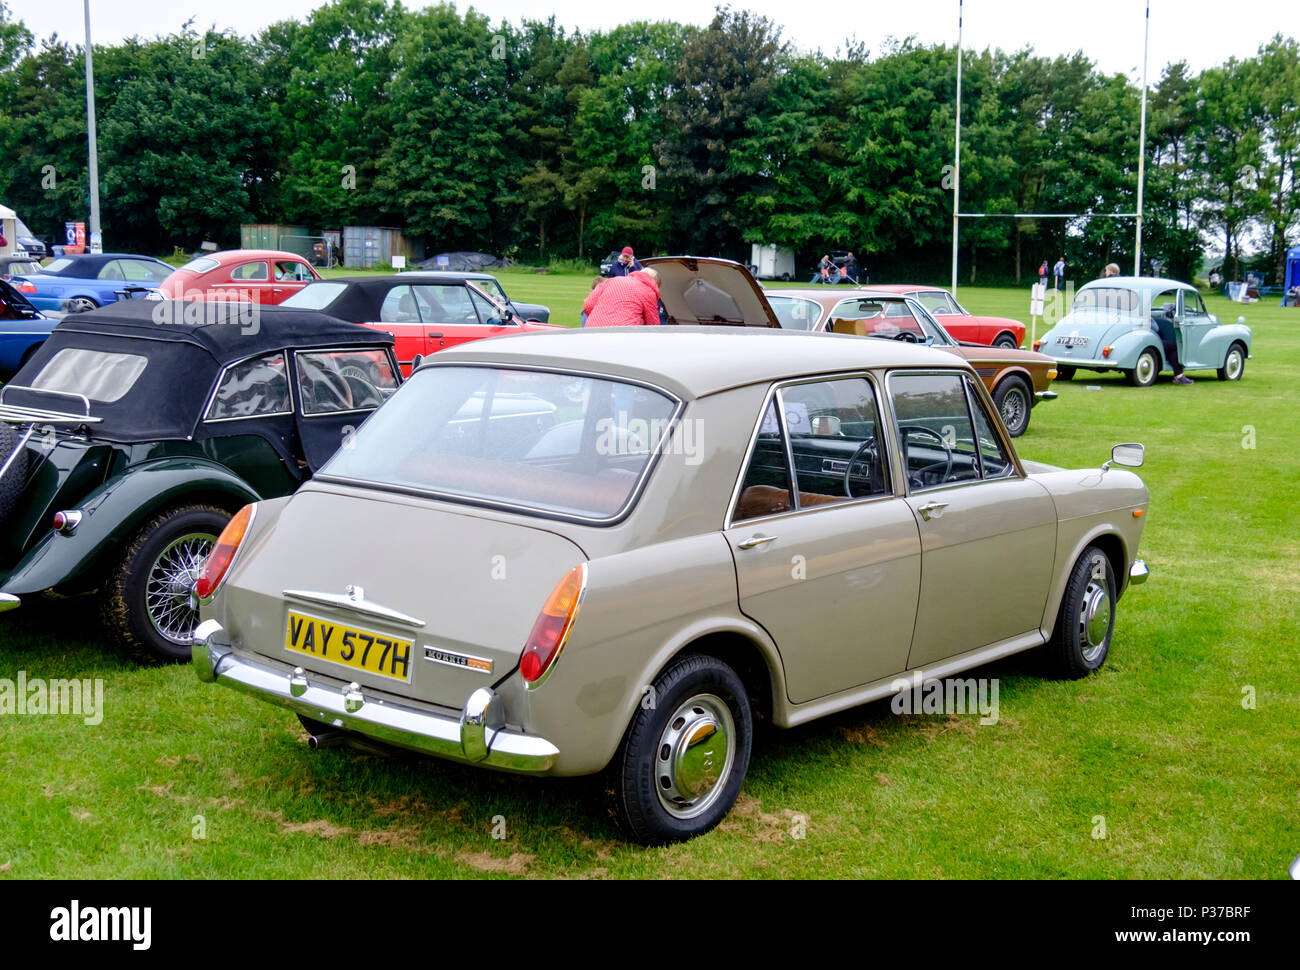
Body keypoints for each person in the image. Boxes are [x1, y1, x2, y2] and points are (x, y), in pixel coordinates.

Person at [583, 268, 661, 327]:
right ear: (654, 282)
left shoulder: (613, 280)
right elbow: (653, 325)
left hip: (593, 330)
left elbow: (588, 305)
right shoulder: (648, 291)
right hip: (624, 333)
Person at [1152, 306, 1194, 385]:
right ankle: (1179, 376)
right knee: (1173, 347)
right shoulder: (1144, 319)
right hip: (1152, 340)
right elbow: (1156, 329)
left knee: (1169, 347)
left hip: (1152, 339)